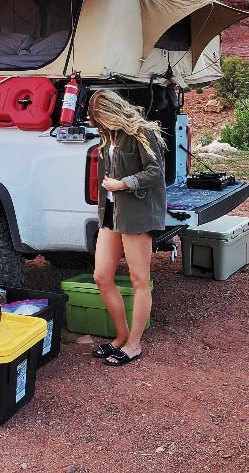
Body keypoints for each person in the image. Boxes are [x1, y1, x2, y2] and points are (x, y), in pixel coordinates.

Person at [85, 88, 166, 367]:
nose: (99, 126)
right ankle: (121, 336)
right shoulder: (110, 135)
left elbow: (156, 171)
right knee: (101, 276)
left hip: (136, 213)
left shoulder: (141, 132)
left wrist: (124, 184)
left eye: (100, 119)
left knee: (139, 280)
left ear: (110, 112)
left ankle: (134, 343)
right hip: (111, 213)